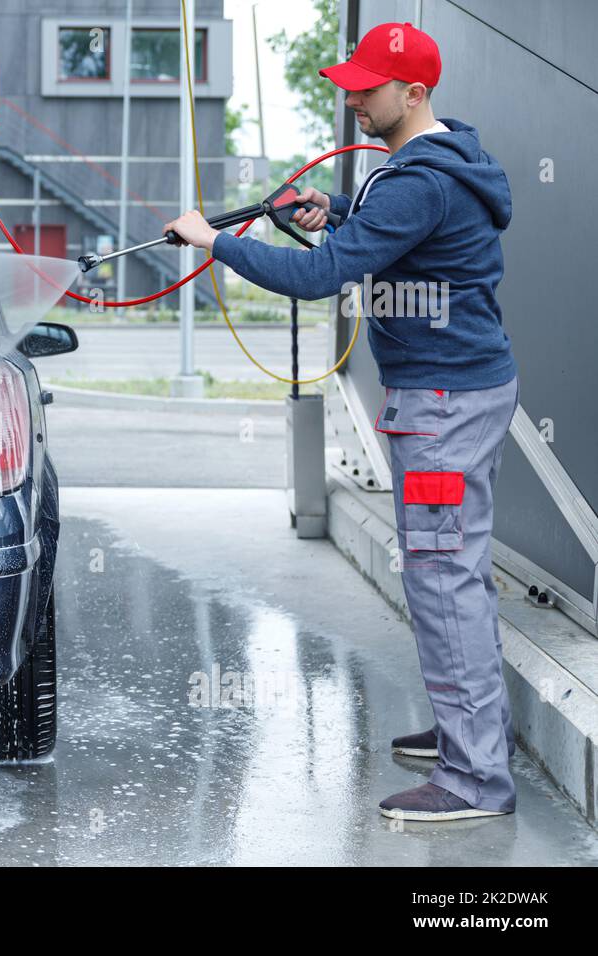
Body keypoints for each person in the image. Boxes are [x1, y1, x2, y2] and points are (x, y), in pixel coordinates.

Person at [163, 21, 519, 821]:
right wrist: (340, 212)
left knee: (440, 577)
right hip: (465, 394)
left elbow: (324, 276)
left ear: (415, 92)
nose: (351, 97)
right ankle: (471, 736)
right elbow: (391, 238)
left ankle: (474, 781)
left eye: (366, 86)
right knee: (457, 568)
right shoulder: (442, 158)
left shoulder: (415, 180)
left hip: (441, 410)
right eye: (349, 82)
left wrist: (216, 241)